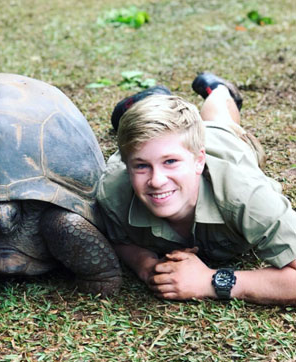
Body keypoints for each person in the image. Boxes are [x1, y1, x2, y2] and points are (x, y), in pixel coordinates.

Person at [98, 72, 296, 304]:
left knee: (218, 119)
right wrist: (146, 265)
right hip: (175, 142)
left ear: (198, 161)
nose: (157, 180)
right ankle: (157, 101)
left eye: (170, 162)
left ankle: (218, 89)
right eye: (141, 166)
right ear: (127, 167)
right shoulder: (112, 191)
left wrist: (211, 281)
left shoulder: (248, 196)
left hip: (221, 143)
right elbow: (116, 238)